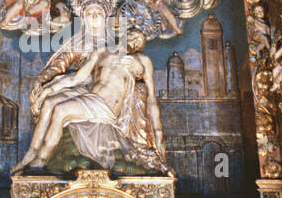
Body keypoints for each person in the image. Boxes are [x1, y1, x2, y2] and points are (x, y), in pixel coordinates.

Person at [13, 21, 167, 175]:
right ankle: (30, 154)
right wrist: (47, 90)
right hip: (89, 94)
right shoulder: (102, 51)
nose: (134, 42)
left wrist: (158, 135)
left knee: (60, 111)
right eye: (132, 36)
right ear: (124, 35)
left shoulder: (141, 60)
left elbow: (152, 99)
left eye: (138, 42)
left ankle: (41, 160)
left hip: (105, 106)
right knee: (48, 103)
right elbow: (77, 78)